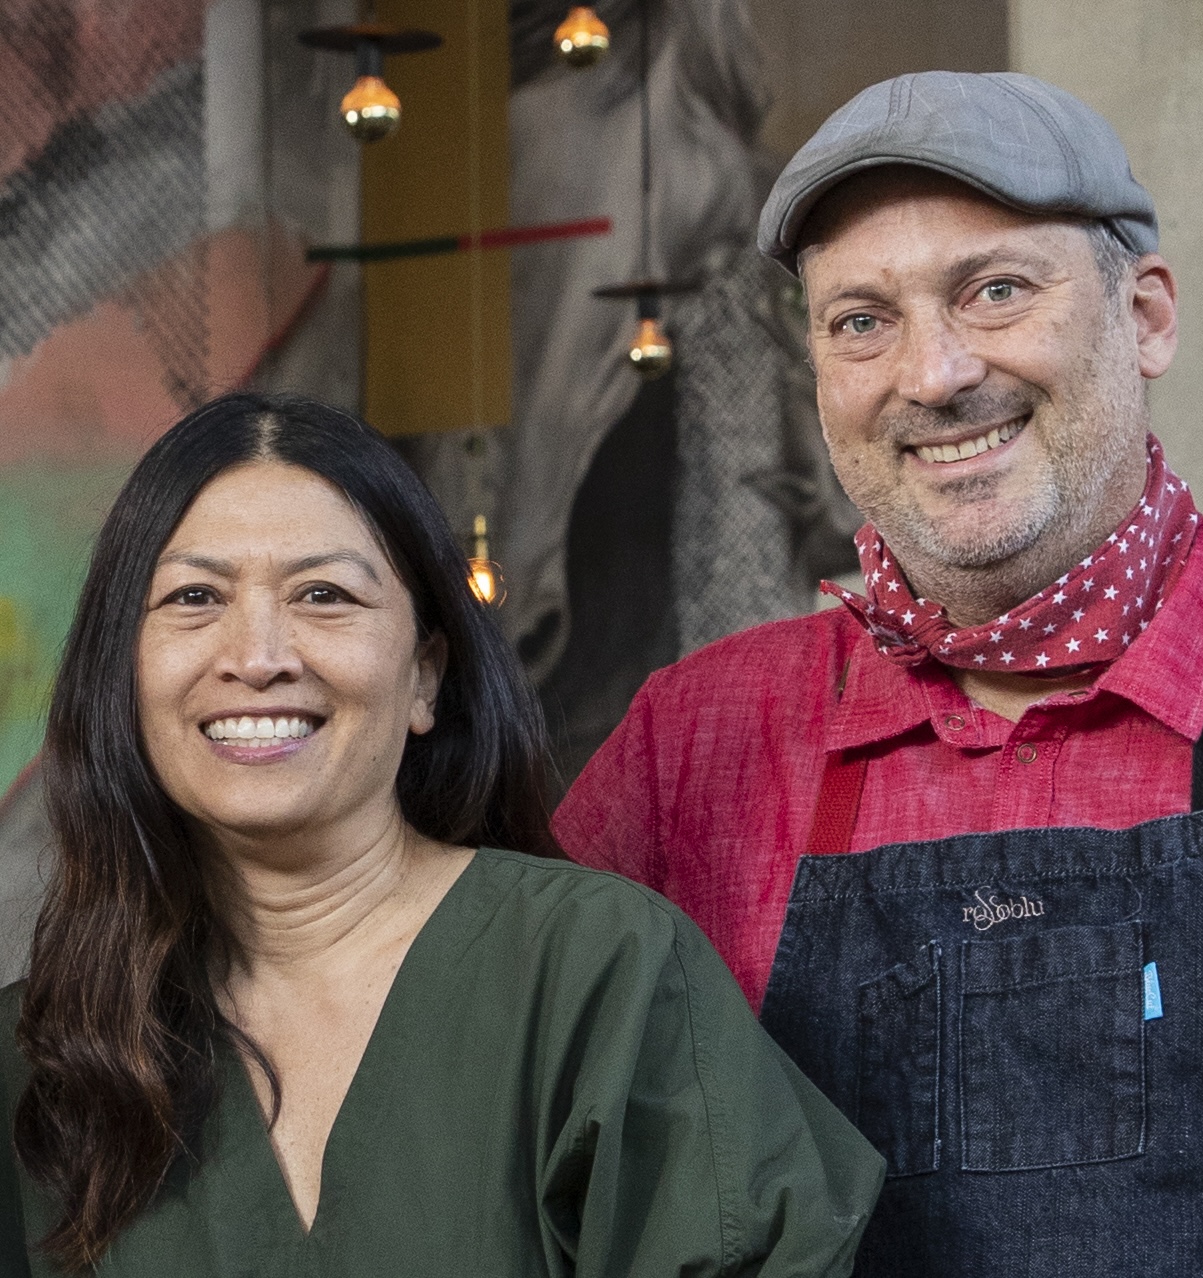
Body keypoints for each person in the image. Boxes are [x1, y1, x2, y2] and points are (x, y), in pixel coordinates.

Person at [554, 71, 1203, 1277]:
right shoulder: (697, 739)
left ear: (1145, 317)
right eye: (861, 321)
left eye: (994, 291)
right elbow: (537, 1149)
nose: (932, 375)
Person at [0, 392, 884, 1277]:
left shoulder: (593, 969)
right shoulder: (43, 1054)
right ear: (123, 672)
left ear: (425, 676)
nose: (258, 655)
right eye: (194, 596)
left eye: (324, 595)